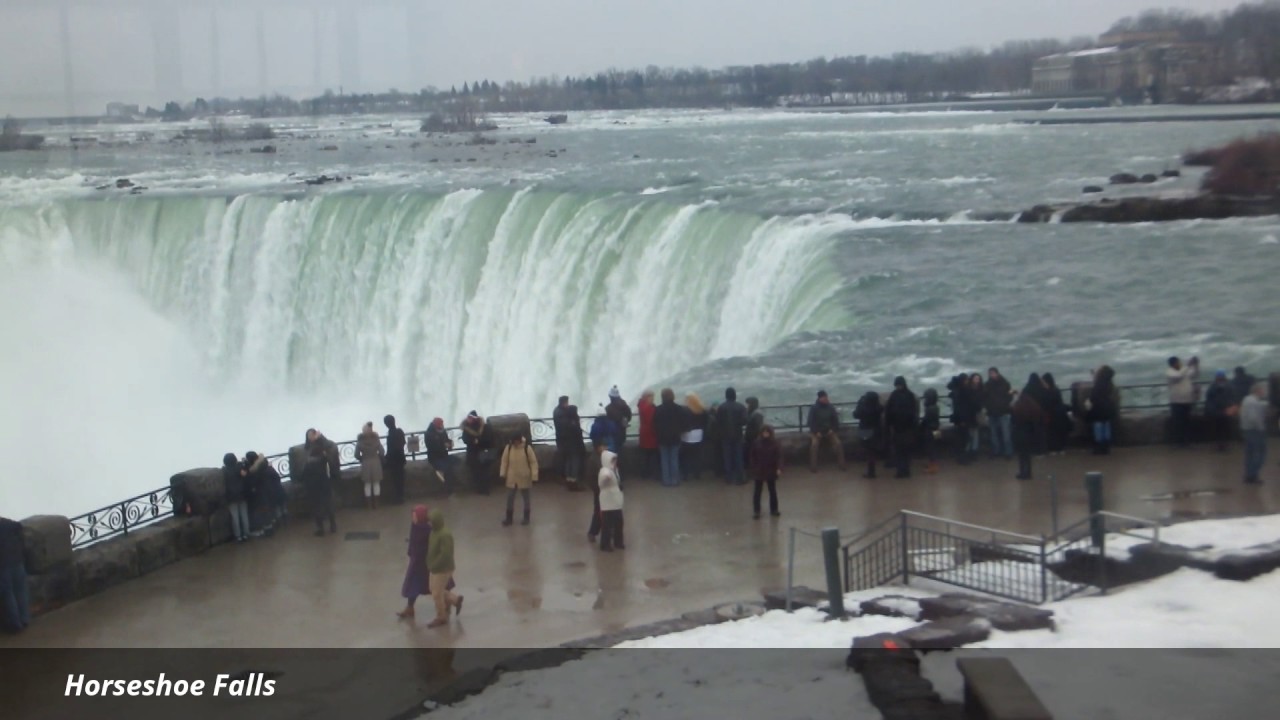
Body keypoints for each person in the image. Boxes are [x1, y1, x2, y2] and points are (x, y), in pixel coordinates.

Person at [425, 508, 462, 628]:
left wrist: (434, 564)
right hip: (435, 567)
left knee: (436, 593)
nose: (429, 523)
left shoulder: (444, 535)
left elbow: (445, 554)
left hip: (442, 568)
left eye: (430, 521)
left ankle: (441, 616)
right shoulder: (434, 532)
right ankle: (455, 600)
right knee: (434, 589)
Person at [398, 505, 432, 620]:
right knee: (414, 585)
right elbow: (413, 542)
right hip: (416, 561)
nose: (413, 518)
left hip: (424, 563)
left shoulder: (427, 530)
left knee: (436, 587)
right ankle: (410, 607)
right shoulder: (416, 526)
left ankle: (452, 600)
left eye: (415, 516)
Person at [1012, 374, 1048, 480]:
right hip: (1030, 432)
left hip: (1019, 434)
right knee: (1027, 455)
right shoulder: (1034, 408)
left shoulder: (1018, 409)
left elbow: (1013, 421)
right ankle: (1029, 472)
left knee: (1022, 456)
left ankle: (1023, 472)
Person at [500, 434, 539, 526]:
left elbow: (533, 462)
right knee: (510, 498)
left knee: (526, 498)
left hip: (524, 476)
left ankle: (526, 518)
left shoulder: (527, 448)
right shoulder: (509, 448)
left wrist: (534, 475)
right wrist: (503, 473)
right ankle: (509, 518)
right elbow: (504, 461)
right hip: (512, 477)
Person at [0, 516, 30, 634]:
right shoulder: (6, 523)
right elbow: (19, 526)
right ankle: (24, 619)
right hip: (17, 560)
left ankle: (15, 624)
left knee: (8, 594)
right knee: (21, 590)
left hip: (3, 565)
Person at [884, 377, 919, 478]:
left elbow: (888, 412)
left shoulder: (894, 395)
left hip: (900, 428)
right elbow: (914, 412)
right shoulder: (910, 395)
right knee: (903, 451)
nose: (898, 387)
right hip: (904, 428)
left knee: (901, 451)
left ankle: (902, 471)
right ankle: (904, 470)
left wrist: (888, 425)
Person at [301, 443, 337, 536]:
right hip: (325, 485)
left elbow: (303, 476)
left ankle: (320, 529)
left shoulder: (309, 464)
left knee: (317, 508)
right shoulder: (324, 461)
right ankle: (333, 525)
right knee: (329, 506)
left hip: (314, 489)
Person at [807, 390, 847, 473]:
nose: (826, 399)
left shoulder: (830, 407)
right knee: (814, 446)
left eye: (826, 397)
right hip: (816, 432)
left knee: (838, 444)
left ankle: (842, 465)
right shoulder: (814, 408)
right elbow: (810, 422)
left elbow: (835, 420)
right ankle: (813, 467)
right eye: (824, 397)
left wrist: (832, 430)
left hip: (829, 431)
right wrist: (816, 432)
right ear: (820, 398)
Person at [244, 451, 286, 528]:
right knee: (275, 509)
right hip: (274, 489)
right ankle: (278, 522)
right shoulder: (266, 465)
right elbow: (276, 477)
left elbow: (254, 480)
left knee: (265, 511)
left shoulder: (256, 470)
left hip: (264, 492)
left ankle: (270, 527)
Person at [653, 388, 685, 487]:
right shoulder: (679, 408)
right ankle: (675, 480)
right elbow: (683, 423)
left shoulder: (658, 409)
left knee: (664, 460)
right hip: (675, 437)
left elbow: (655, 424)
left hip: (662, 438)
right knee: (674, 459)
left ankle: (666, 481)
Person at [749, 425, 783, 518]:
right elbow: (752, 456)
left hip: (771, 470)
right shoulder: (756, 443)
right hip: (759, 470)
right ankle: (756, 511)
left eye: (767, 432)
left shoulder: (775, 443)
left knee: (772, 491)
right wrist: (753, 467)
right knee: (757, 491)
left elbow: (779, 457)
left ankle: (774, 509)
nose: (765, 433)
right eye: (764, 432)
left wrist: (779, 468)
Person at [716, 387, 748, 484]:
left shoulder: (721, 407)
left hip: (725, 435)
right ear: (735, 395)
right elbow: (745, 421)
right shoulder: (741, 407)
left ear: (726, 396)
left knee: (727, 457)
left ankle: (728, 478)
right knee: (738, 456)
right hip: (737, 434)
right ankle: (740, 478)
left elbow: (718, 421)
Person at [1166, 355, 1200, 448]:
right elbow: (1178, 376)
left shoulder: (1184, 370)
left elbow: (1195, 374)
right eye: (1178, 362)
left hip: (1187, 401)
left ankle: (1187, 442)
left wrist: (1196, 365)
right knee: (1178, 423)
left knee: (1187, 422)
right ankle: (1177, 442)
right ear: (1173, 364)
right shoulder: (1170, 372)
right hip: (1176, 402)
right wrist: (1188, 365)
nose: (1179, 363)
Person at [1086, 365, 1120, 455]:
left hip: (1099, 408)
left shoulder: (1098, 384)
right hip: (1108, 407)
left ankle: (1099, 448)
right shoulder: (1109, 383)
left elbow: (1093, 396)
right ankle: (1106, 447)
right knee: (1106, 427)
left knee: (1098, 428)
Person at [597, 450, 626, 551]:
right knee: (607, 524)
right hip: (608, 501)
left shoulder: (615, 470)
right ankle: (605, 544)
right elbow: (602, 481)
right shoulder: (605, 471)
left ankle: (618, 542)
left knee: (619, 522)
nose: (614, 462)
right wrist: (607, 478)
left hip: (615, 500)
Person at [984, 368, 1015, 459]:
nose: (992, 375)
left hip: (1003, 412)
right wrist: (988, 406)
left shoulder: (1005, 383)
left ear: (997, 373)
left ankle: (1008, 452)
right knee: (994, 435)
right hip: (992, 412)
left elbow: (1010, 395)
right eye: (990, 374)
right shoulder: (987, 385)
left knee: (1006, 434)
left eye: (993, 373)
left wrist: (1004, 404)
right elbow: (984, 397)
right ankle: (996, 451)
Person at [1241, 383, 1268, 485]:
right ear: (1257, 391)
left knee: (1249, 453)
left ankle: (1248, 474)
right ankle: (1253, 475)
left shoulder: (1246, 400)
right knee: (1260, 453)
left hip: (1246, 429)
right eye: (1262, 390)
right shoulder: (1254, 402)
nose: (1264, 392)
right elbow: (1253, 418)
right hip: (1255, 431)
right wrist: (1261, 427)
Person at [853, 391, 884, 478]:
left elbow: (855, 415)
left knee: (868, 451)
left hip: (865, 431)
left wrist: (860, 403)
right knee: (872, 451)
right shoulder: (879, 408)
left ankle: (871, 472)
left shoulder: (864, 408)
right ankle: (872, 470)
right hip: (876, 430)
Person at [1204, 371, 1237, 453]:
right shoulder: (1227, 385)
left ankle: (1222, 444)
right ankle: (1221, 444)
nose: (1220, 378)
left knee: (1223, 427)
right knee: (1221, 427)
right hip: (1219, 410)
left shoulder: (1213, 386)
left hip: (1222, 410)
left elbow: (1209, 399)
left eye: (1220, 376)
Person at [356, 421, 385, 510]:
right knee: (376, 483)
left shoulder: (360, 442)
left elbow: (356, 455)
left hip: (365, 462)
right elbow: (382, 452)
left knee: (367, 484)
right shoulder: (376, 440)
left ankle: (369, 505)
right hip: (376, 462)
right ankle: (376, 504)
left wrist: (362, 458)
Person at [1041, 373, 1072, 455]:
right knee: (1059, 432)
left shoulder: (1047, 392)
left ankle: (1054, 449)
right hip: (1060, 413)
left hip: (1052, 414)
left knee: (1052, 433)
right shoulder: (1056, 390)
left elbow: (1046, 404)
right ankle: (1061, 448)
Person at [461, 411, 492, 494]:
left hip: (482, 451)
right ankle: (479, 489)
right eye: (468, 418)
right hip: (472, 452)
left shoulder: (484, 427)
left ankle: (485, 489)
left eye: (470, 418)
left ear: (475, 419)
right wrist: (472, 441)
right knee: (475, 472)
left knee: (484, 471)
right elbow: (464, 439)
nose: (468, 419)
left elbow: (488, 439)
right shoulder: (466, 428)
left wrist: (479, 441)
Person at [222, 452, 250, 543]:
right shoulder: (238, 468)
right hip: (241, 494)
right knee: (244, 515)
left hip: (230, 496)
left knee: (235, 517)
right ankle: (246, 533)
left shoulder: (224, 471)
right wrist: (244, 464)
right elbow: (245, 474)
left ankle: (238, 536)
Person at [425, 418, 457, 494]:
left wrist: (450, 443)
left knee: (456, 462)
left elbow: (446, 440)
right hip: (434, 457)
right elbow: (431, 447)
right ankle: (448, 489)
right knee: (447, 469)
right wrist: (443, 445)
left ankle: (450, 486)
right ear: (437, 425)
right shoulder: (429, 433)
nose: (443, 425)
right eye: (441, 424)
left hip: (444, 455)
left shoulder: (442, 431)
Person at [681, 393, 708, 479]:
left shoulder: (685, 410)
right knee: (697, 455)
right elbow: (705, 422)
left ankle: (686, 474)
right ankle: (697, 474)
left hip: (687, 434)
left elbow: (683, 422)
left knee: (686, 455)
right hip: (698, 434)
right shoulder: (702, 409)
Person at [384, 415, 407, 505]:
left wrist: (386, 459)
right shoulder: (399, 431)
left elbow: (390, 449)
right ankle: (401, 496)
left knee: (396, 479)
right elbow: (403, 443)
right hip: (400, 458)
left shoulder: (390, 434)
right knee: (400, 478)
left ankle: (398, 497)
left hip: (393, 460)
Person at [587, 441, 606, 542]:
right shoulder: (593, 460)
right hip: (599, 490)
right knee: (599, 512)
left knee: (605, 512)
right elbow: (590, 478)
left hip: (605, 490)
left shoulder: (604, 457)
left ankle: (604, 531)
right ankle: (593, 532)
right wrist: (597, 489)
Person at [636, 390, 659, 479]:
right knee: (652, 455)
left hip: (644, 433)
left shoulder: (642, 405)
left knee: (645, 455)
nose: (653, 398)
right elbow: (651, 421)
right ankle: (652, 474)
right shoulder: (648, 407)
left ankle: (644, 474)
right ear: (647, 397)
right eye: (651, 397)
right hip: (650, 433)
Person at [920, 389, 941, 474]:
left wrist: (920, 427)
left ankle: (933, 467)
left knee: (930, 448)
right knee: (934, 447)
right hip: (936, 430)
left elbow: (926, 420)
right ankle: (933, 464)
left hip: (930, 430)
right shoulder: (936, 407)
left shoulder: (929, 409)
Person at [606, 386, 632, 453]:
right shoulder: (624, 405)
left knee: (614, 454)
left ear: (610, 397)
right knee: (620, 451)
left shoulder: (608, 408)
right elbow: (629, 415)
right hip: (622, 433)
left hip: (613, 435)